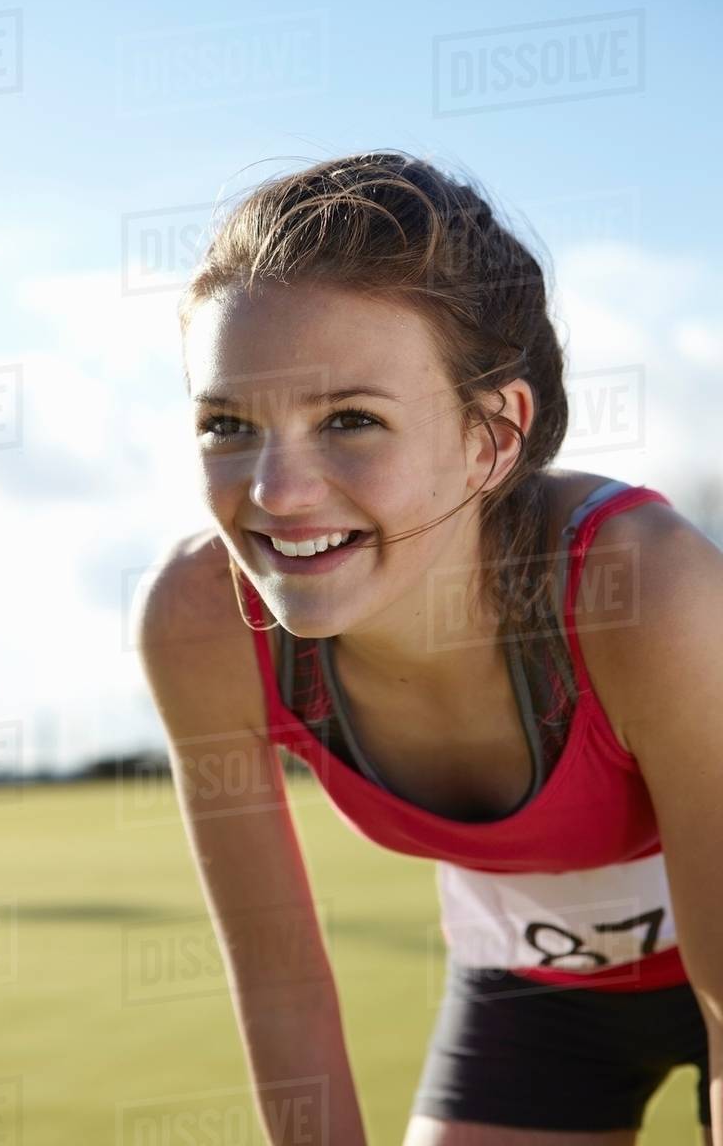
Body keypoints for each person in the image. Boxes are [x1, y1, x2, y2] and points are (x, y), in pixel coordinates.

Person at [136, 152, 721, 1146]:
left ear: (490, 439)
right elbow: (283, 994)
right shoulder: (201, 620)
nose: (275, 491)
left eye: (351, 420)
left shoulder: (643, 587)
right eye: (226, 422)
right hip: (536, 1000)